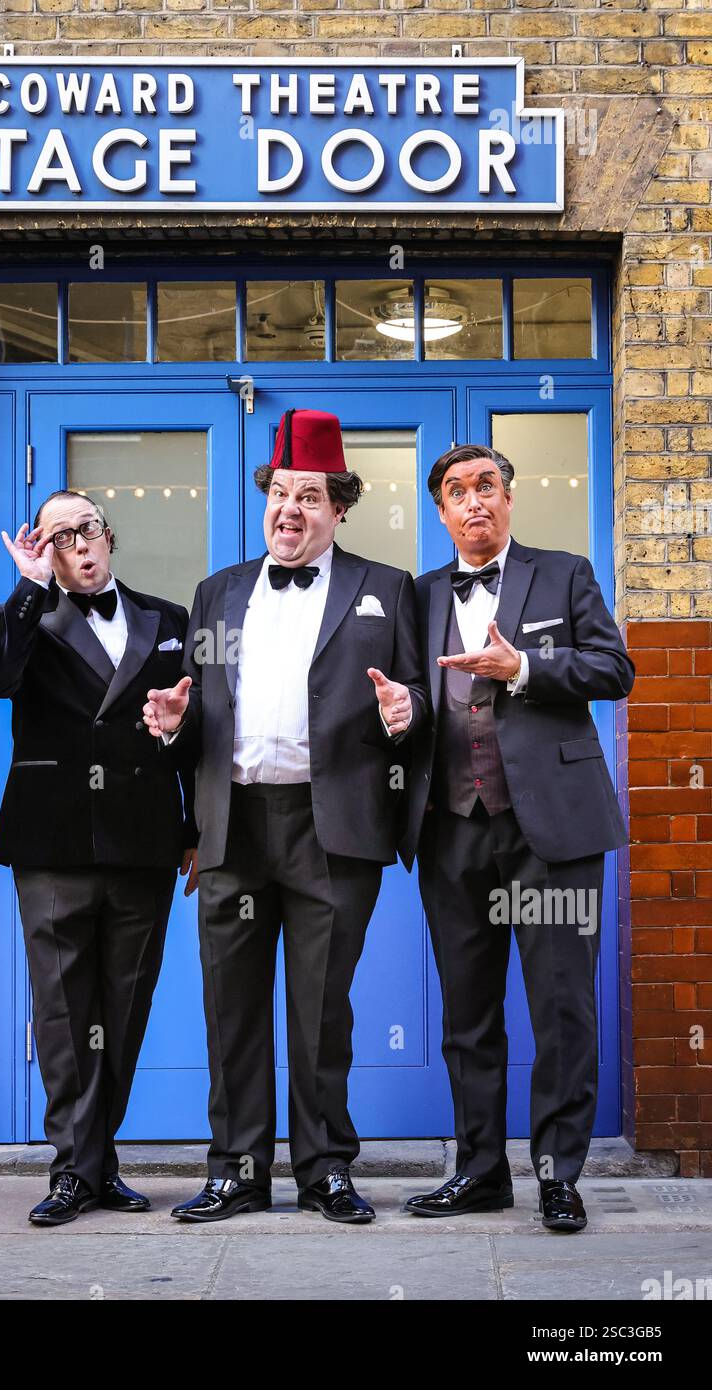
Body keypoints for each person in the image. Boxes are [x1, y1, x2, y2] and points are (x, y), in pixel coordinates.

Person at [143, 408, 427, 1224]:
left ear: (340, 507)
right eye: (279, 493)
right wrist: (171, 726)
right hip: (233, 825)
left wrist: (404, 712)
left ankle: (325, 1168)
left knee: (320, 1007)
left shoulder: (385, 590)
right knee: (229, 1005)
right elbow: (201, 713)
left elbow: (410, 705)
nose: (290, 509)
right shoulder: (218, 592)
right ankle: (235, 1169)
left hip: (331, 828)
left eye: (310, 495)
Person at [399, 444, 635, 1233]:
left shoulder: (564, 573)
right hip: (453, 830)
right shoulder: (421, 594)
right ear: (441, 511)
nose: (474, 502)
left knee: (563, 1007)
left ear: (508, 498)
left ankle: (558, 1177)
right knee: (468, 1015)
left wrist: (525, 667)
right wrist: (404, 716)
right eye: (457, 492)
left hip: (554, 831)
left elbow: (614, 668)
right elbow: (419, 703)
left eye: (487, 487)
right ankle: (479, 1171)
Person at [0, 490, 196, 1226]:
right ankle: (75, 1168)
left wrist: (191, 830)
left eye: (88, 529)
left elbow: (196, 729)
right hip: (54, 843)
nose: (81, 545)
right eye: (61, 537)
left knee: (124, 1011)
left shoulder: (170, 620)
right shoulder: (27, 616)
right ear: (48, 551)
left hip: (144, 844)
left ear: (108, 535)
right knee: (64, 1012)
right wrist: (30, 587)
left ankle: (96, 1163)